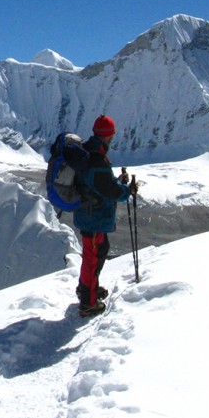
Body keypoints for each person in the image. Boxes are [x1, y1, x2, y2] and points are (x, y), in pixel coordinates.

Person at [73, 115, 138, 318]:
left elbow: (102, 184)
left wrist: (118, 182)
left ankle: (88, 289)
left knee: (100, 251)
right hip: (94, 217)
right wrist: (127, 190)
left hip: (90, 214)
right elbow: (109, 190)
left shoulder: (90, 151)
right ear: (108, 136)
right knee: (93, 257)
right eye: (111, 136)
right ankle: (88, 303)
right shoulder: (97, 159)